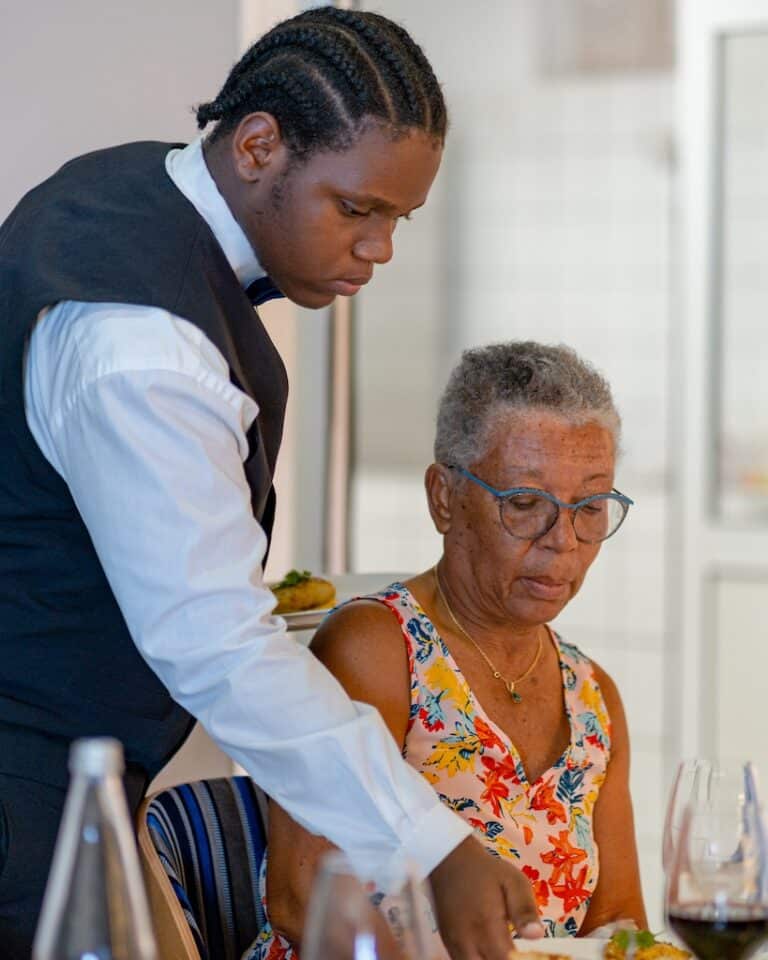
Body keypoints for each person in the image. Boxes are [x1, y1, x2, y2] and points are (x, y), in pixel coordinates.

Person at [0, 7, 542, 958]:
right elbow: (215, 645)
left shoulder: (128, 193)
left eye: (397, 219)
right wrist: (431, 846)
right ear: (257, 146)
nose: (380, 251)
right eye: (357, 209)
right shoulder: (145, 347)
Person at [250, 341, 648, 959]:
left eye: (590, 507)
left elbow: (620, 922)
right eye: (525, 504)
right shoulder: (377, 650)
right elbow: (304, 900)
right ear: (444, 497)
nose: (563, 540)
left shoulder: (594, 695)